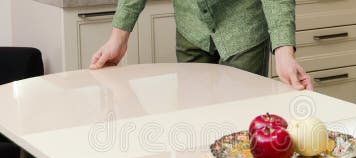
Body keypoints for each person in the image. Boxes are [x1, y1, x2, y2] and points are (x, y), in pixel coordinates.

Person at [88, 0, 313, 90]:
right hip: (192, 28)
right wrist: (118, 38)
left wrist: (284, 53)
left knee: (239, 128)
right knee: (192, 126)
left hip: (243, 28)